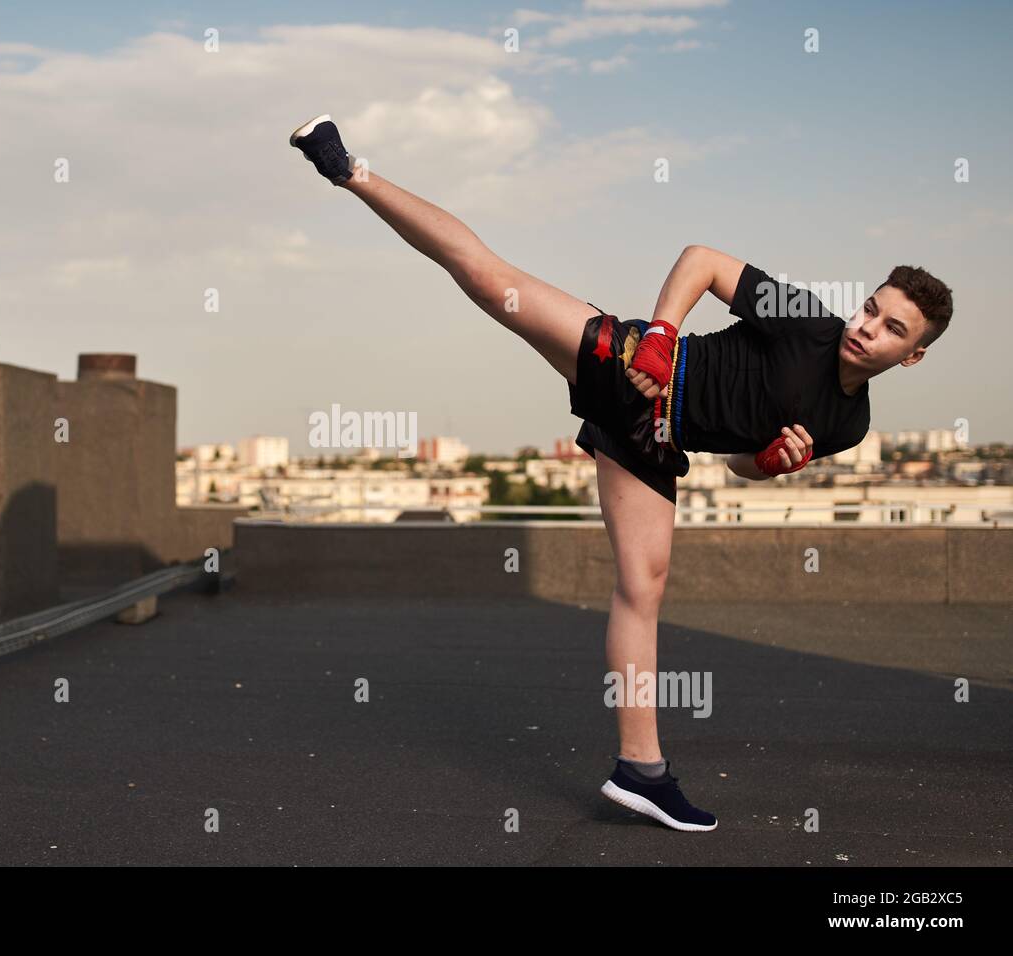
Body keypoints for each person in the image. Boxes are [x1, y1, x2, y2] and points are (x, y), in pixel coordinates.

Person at [289, 114, 954, 832]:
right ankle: (349, 169)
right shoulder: (808, 320)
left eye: (892, 330)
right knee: (492, 282)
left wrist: (764, 466)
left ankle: (641, 771)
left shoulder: (847, 426)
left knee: (644, 585)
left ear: (911, 356)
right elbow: (701, 259)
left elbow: (734, 469)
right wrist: (663, 336)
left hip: (656, 439)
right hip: (633, 361)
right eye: (872, 309)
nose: (867, 328)